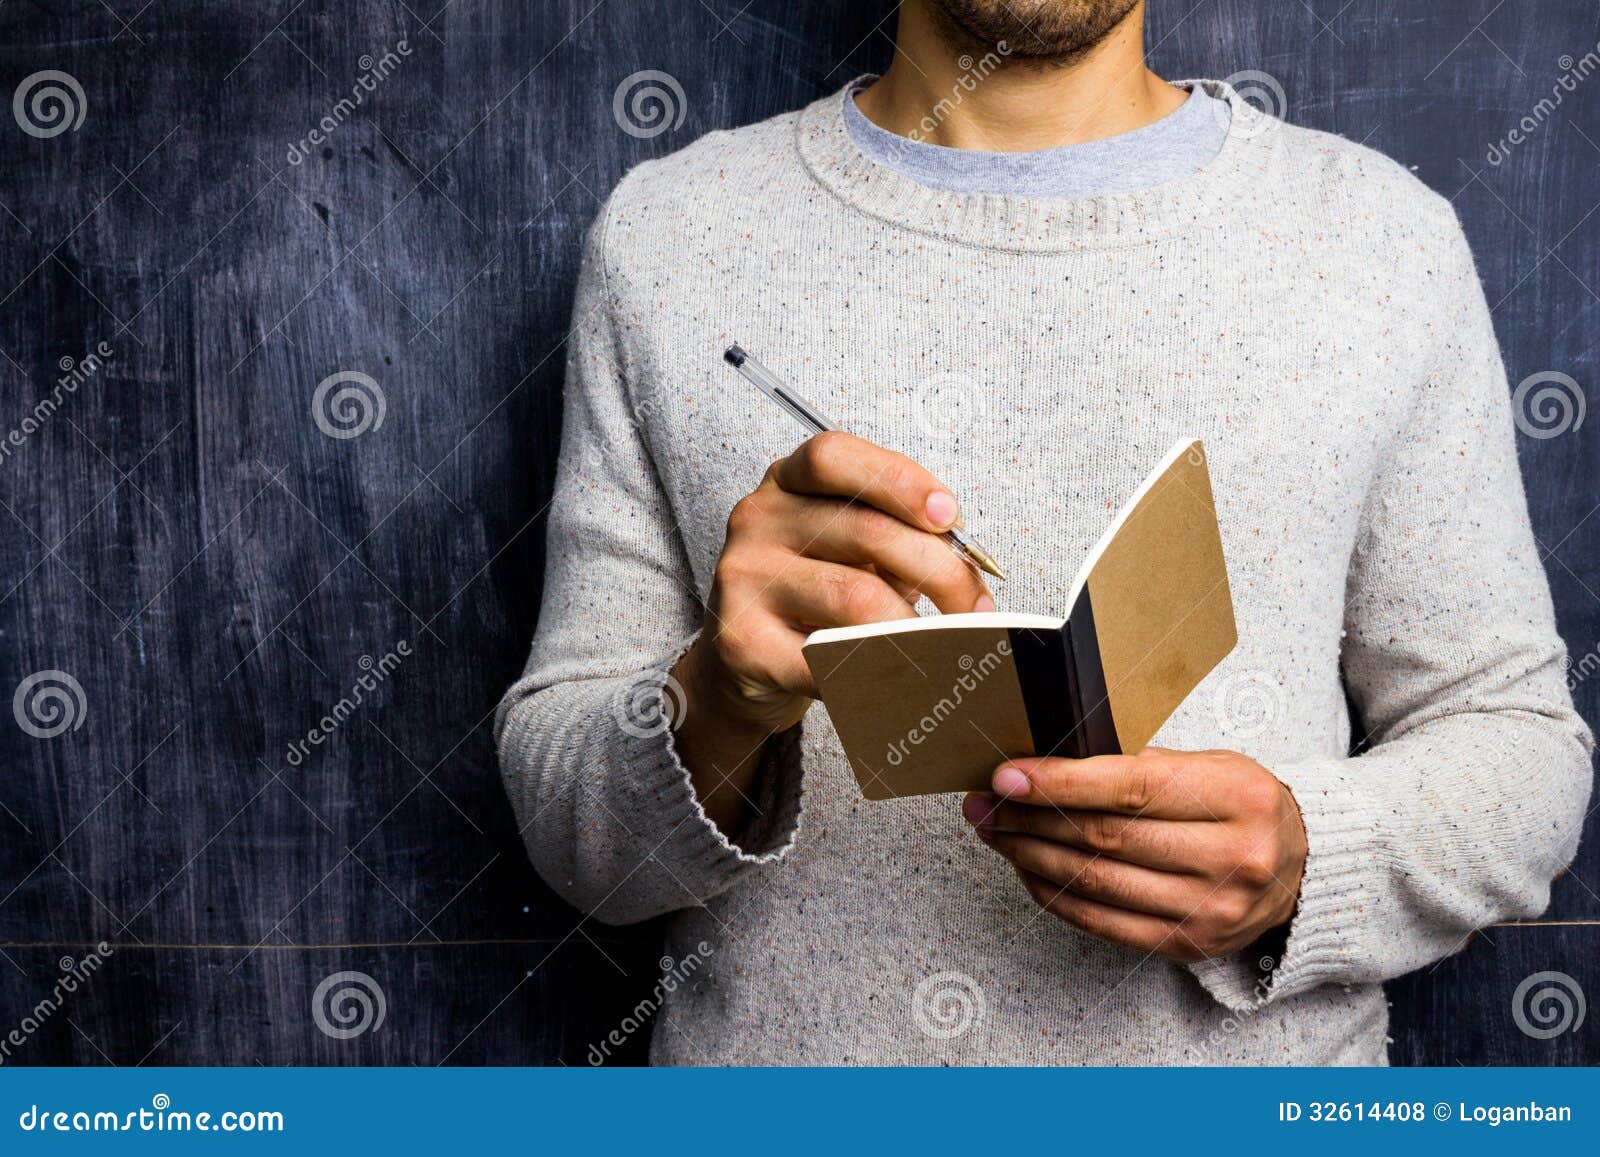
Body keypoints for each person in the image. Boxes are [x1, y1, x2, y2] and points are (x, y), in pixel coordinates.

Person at [495, 0, 1593, 1064]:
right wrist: (719, 701)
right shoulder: (670, 238)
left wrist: (1312, 855)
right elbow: (571, 838)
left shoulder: (1381, 242)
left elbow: (1521, 751)